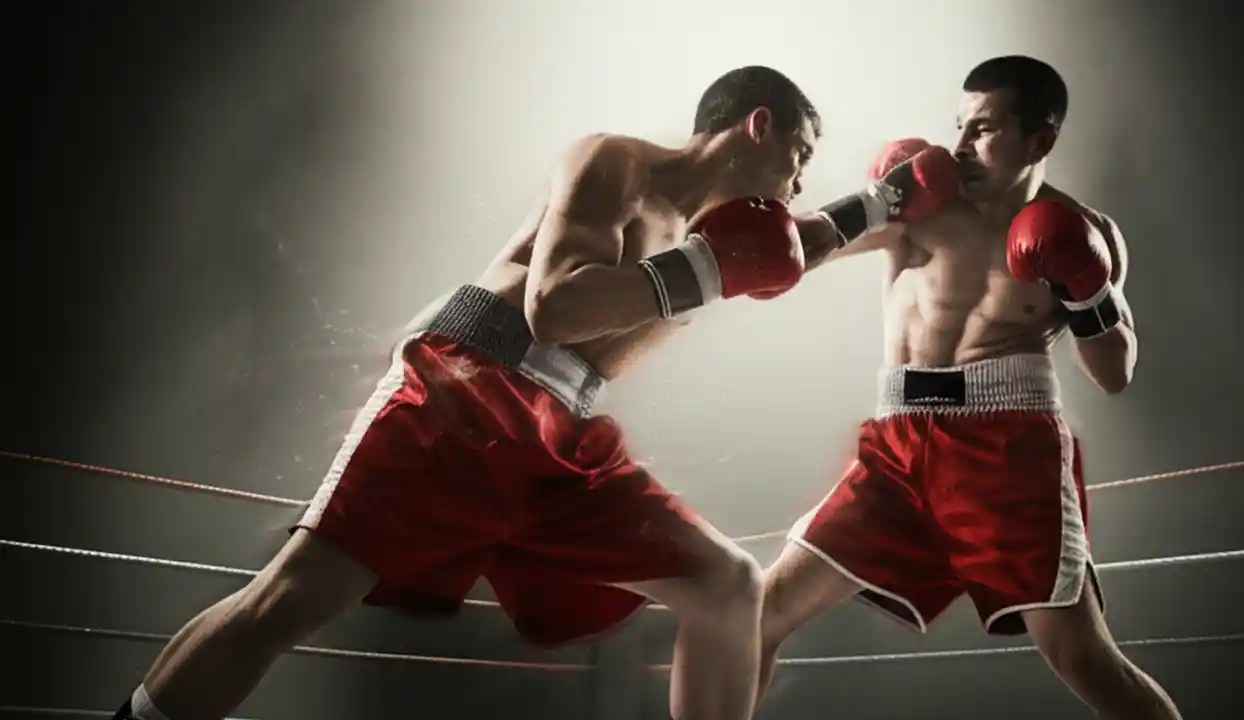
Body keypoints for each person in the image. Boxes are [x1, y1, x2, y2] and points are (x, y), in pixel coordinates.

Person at [113, 64, 911, 720]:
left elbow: (799, 244)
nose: (801, 181)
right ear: (757, 125)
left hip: (562, 435)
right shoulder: (618, 165)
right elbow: (555, 308)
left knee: (727, 584)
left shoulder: (724, 238)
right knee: (286, 604)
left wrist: (889, 201)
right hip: (465, 392)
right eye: (800, 154)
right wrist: (710, 269)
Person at [756, 56, 1183, 719]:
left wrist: (1085, 286)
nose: (959, 147)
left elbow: (1114, 373)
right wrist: (875, 200)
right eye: (958, 126)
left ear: (1040, 140)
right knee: (757, 615)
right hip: (898, 447)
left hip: (1007, 453)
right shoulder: (921, 205)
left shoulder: (1085, 231)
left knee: (1083, 660)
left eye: (983, 129)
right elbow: (784, 254)